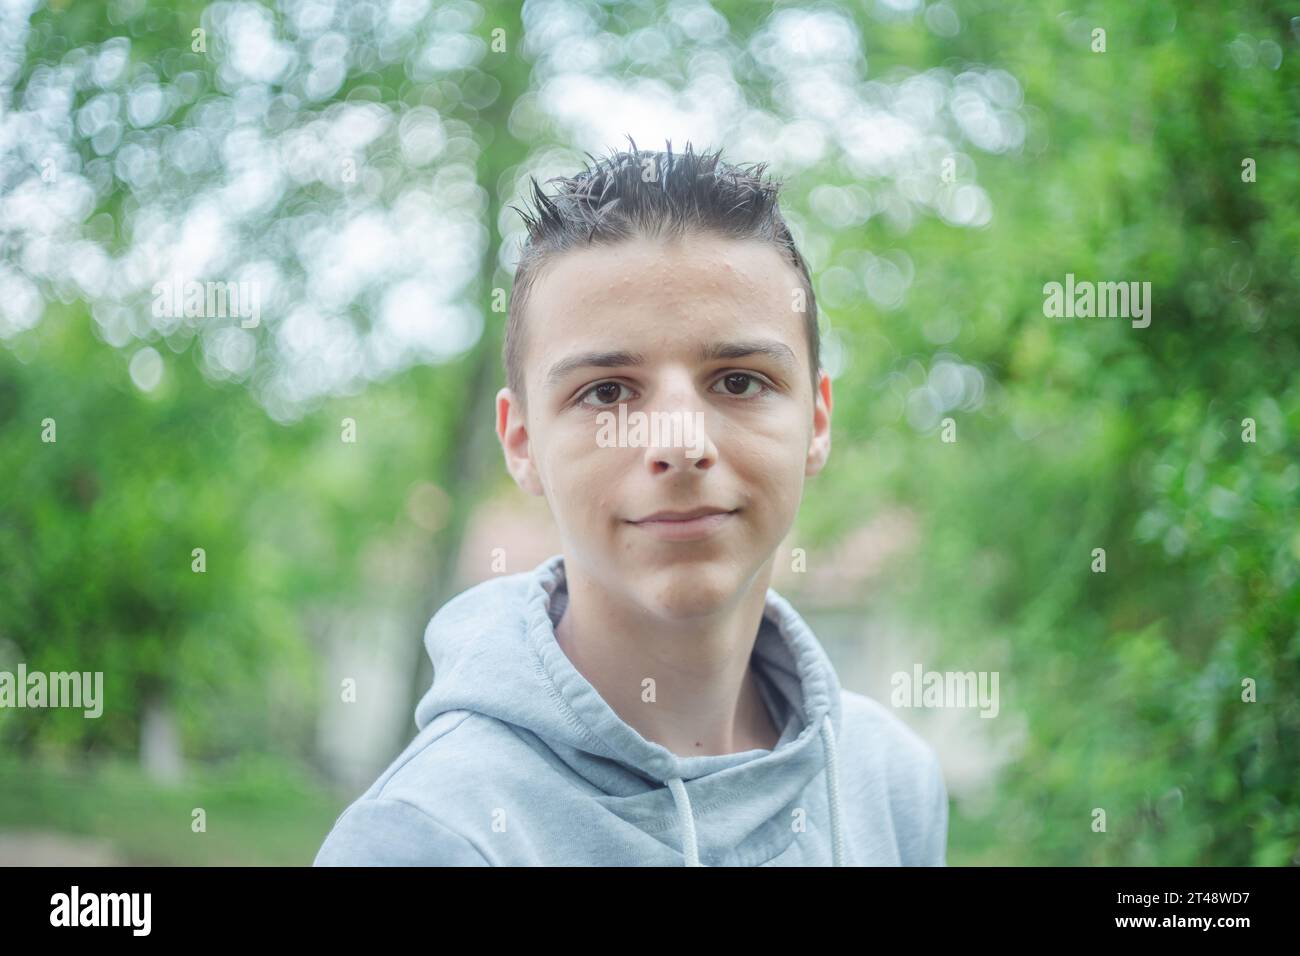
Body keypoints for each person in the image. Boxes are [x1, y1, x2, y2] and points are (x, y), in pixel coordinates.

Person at [314, 139, 948, 866]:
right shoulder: (428, 836)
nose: (680, 444)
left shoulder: (891, 782)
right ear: (521, 442)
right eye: (607, 392)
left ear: (817, 420)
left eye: (739, 381)